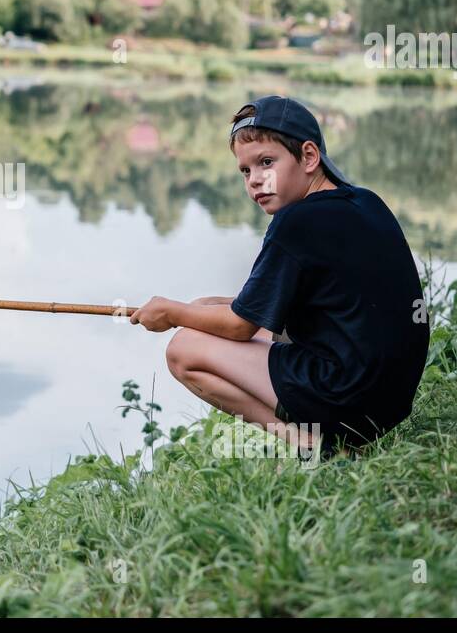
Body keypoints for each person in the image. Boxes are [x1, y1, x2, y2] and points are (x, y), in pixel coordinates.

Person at [129, 95, 430, 459]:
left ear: (308, 156)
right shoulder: (364, 202)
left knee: (184, 349)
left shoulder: (295, 223)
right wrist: (199, 308)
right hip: (391, 399)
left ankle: (313, 445)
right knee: (208, 308)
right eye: (245, 171)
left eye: (266, 163)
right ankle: (330, 438)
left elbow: (241, 327)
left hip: (350, 396)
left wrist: (171, 313)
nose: (255, 181)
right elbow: (278, 306)